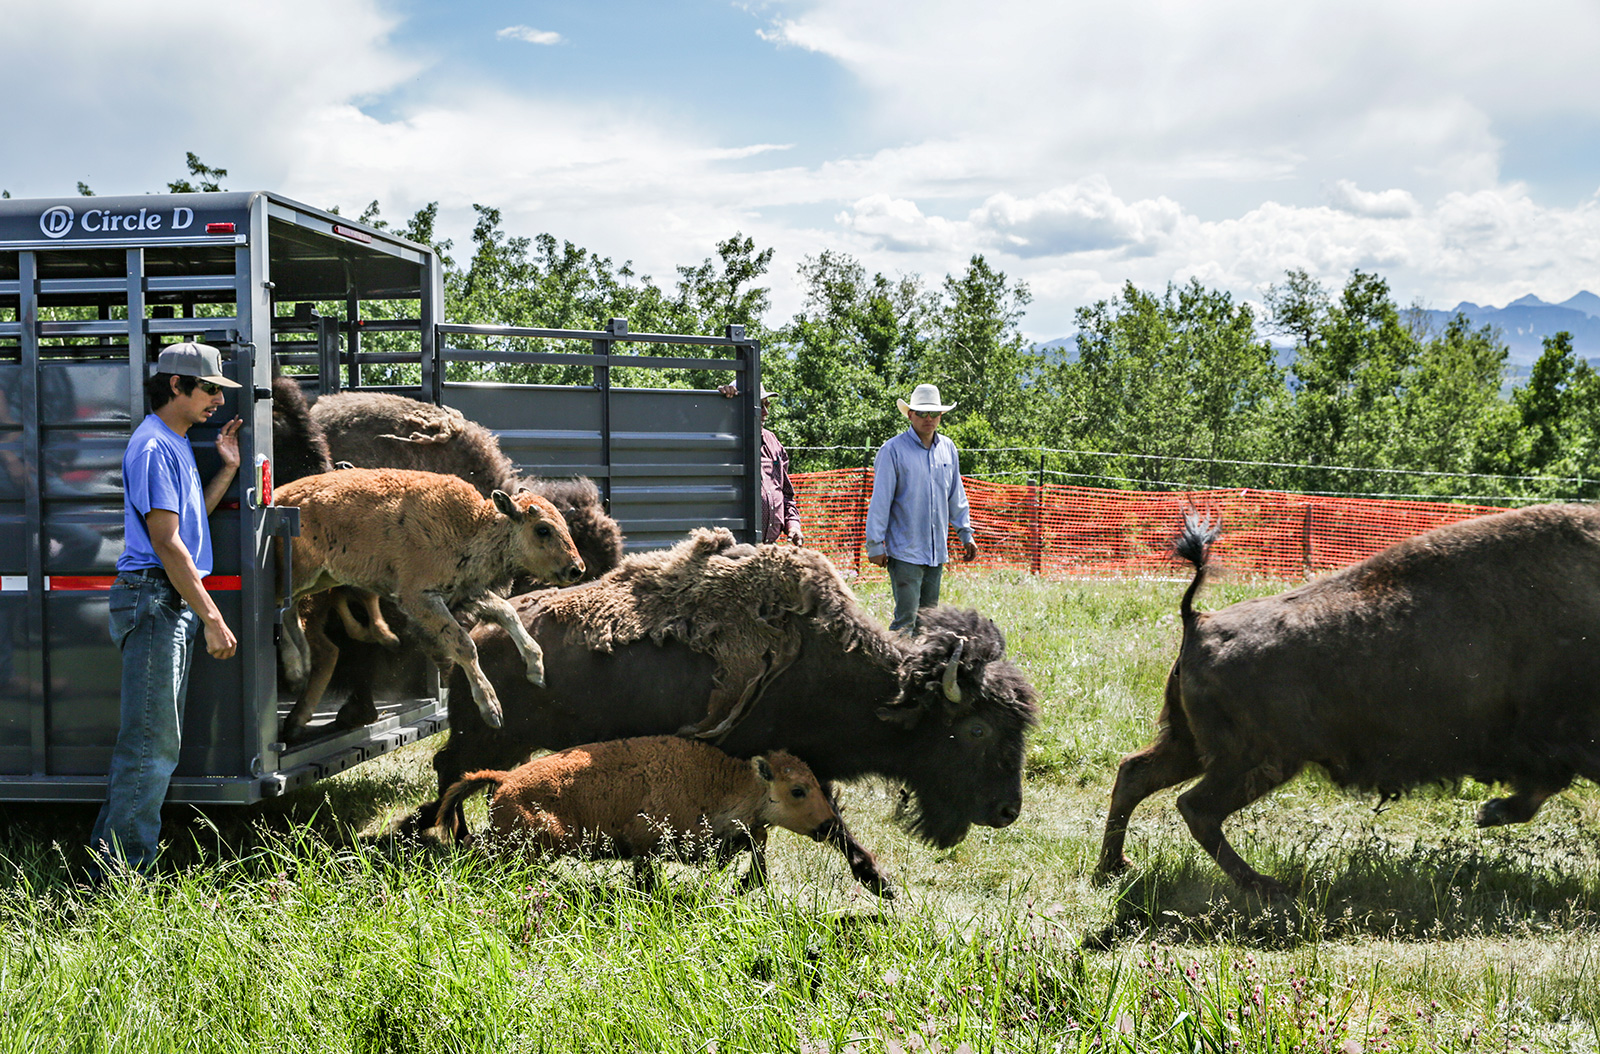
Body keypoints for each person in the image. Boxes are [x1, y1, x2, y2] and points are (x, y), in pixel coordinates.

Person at [87, 342, 242, 879]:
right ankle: (120, 880)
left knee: (153, 742)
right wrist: (213, 617)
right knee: (151, 745)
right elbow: (169, 544)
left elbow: (191, 519)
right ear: (176, 385)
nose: (218, 400)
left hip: (165, 600)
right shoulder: (153, 447)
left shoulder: (174, 443)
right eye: (210, 389)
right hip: (156, 598)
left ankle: (111, 861)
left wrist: (226, 469)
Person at [864, 383, 977, 634]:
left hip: (936, 551)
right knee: (905, 621)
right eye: (922, 413)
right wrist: (875, 544)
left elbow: (956, 495)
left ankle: (922, 673)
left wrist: (965, 533)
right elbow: (880, 500)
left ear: (941, 416)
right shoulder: (892, 450)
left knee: (929, 623)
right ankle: (895, 672)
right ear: (910, 414)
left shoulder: (948, 448)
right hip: (905, 551)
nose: (928, 419)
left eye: (933, 413)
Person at [718, 382, 803, 545]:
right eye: (759, 405)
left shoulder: (773, 442)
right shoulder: (722, 442)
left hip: (768, 550)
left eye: (766, 404)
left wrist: (793, 526)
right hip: (734, 552)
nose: (765, 412)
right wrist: (720, 403)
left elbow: (786, 494)